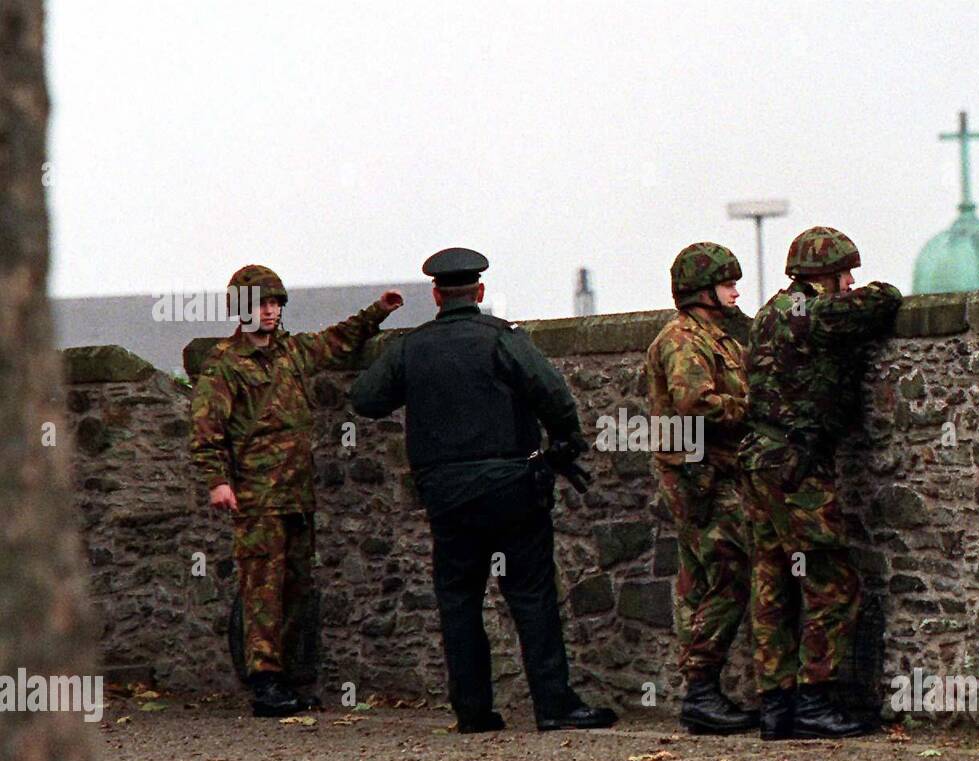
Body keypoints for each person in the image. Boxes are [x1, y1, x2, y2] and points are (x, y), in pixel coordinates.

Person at [349, 247, 617, 733]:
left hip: (447, 494)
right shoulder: (502, 339)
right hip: (512, 486)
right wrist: (565, 442)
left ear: (435, 295)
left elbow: (366, 399)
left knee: (458, 599)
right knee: (531, 595)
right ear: (480, 292)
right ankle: (554, 706)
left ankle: (472, 710)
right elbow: (552, 392)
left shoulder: (413, 348)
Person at [191, 264, 403, 717]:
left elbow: (337, 339)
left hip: (296, 496)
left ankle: (287, 677)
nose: (270, 312)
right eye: (262, 304)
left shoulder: (292, 352)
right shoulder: (225, 364)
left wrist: (377, 312)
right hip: (256, 498)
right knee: (260, 588)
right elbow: (207, 429)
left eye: (275, 304)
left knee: (296, 587)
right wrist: (218, 481)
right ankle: (264, 681)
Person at [739, 227, 902, 740]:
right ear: (822, 276)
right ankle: (816, 698)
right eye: (843, 274)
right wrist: (878, 289)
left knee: (773, 581)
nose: (849, 282)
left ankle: (776, 705)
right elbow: (882, 303)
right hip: (794, 464)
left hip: (760, 459)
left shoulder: (770, 313)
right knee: (833, 582)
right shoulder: (814, 313)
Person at [646, 242, 758, 734]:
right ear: (702, 291)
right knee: (727, 575)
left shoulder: (719, 335)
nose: (736, 290)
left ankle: (703, 691)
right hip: (701, 475)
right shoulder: (685, 339)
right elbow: (695, 403)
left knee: (708, 577)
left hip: (713, 471)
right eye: (727, 283)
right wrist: (755, 406)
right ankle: (701, 691)